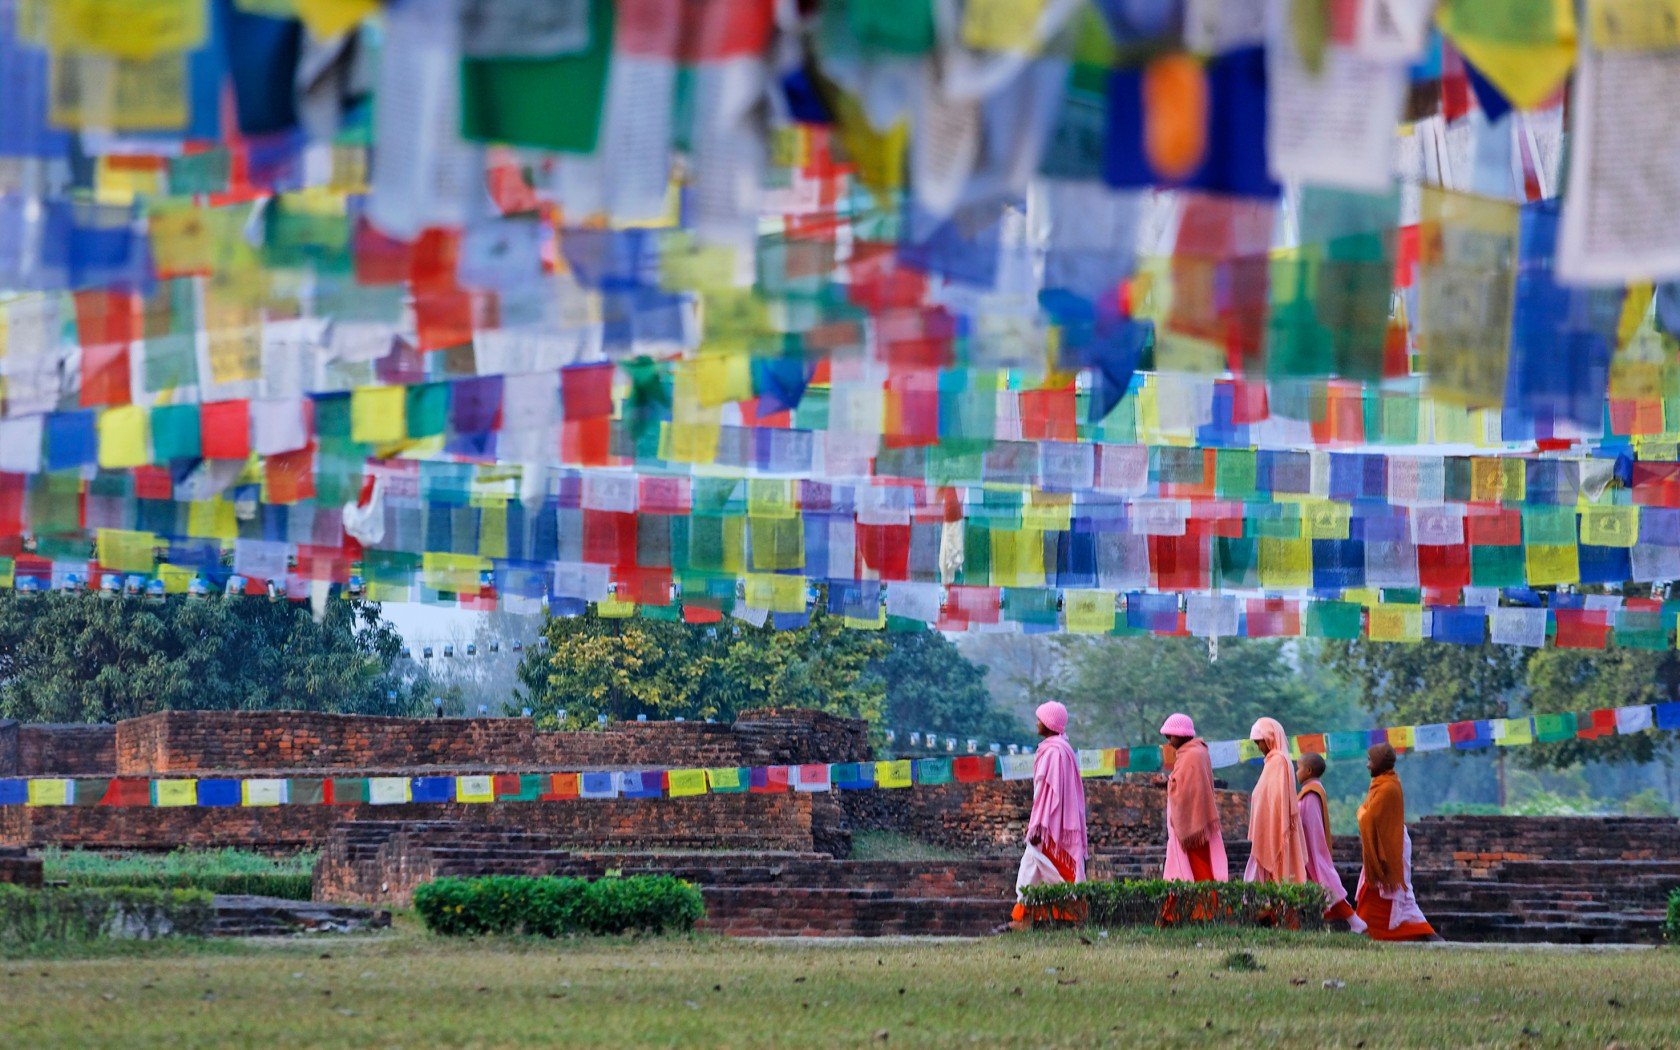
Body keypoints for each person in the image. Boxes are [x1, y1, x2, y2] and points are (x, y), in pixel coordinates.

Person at [1010, 700, 1087, 925]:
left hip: (1050, 826)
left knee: (1043, 872)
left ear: (1049, 723)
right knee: (1033, 873)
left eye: (1040, 719)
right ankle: (1025, 919)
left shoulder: (1055, 752)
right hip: (1053, 824)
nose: (1037, 723)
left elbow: (1047, 794)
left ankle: (1067, 917)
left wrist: (1038, 826)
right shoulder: (1060, 749)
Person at [1354, 743, 1440, 941]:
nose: (1367, 765)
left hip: (1391, 845)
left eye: (1370, 761)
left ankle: (1424, 932)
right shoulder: (1382, 783)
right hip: (1384, 843)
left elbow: (1369, 816)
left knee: (1396, 893)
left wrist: (1360, 812)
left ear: (1379, 763)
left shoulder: (1387, 787)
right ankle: (1368, 930)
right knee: (1374, 891)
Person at [1296, 752, 1366, 932]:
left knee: (1328, 885)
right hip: (1308, 850)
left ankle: (1355, 921)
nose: (1296, 773)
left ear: (1309, 771)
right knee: (1315, 889)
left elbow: (1310, 826)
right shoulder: (1309, 791)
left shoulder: (1312, 794)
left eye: (1298, 768)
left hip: (1312, 850)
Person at [1160, 712, 1228, 882]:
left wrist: (1169, 783)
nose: (1168, 741)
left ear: (1181, 734)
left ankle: (1204, 907)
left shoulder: (1192, 755)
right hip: (1196, 820)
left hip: (1193, 824)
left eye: (1170, 736)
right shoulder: (1195, 752)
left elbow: (1185, 792)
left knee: (1197, 869)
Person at [1243, 717, 1307, 884]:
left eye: (1260, 742)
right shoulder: (1275, 760)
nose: (1259, 747)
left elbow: (1277, 799)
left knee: (1267, 875)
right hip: (1268, 824)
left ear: (1270, 738)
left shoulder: (1278, 761)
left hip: (1275, 825)